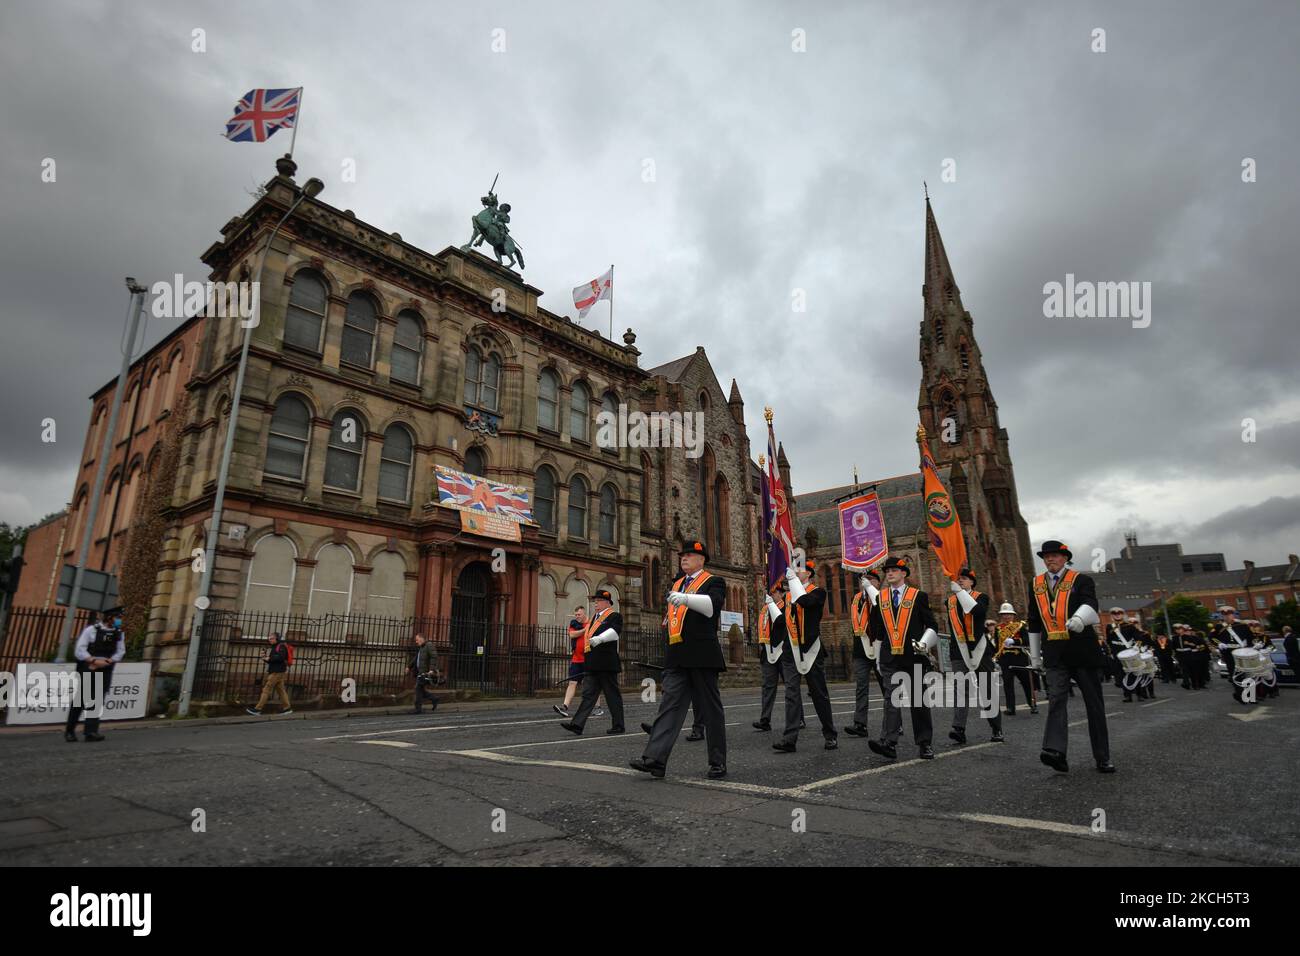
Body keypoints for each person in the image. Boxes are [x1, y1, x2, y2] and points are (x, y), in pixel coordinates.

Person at [632, 541, 728, 779]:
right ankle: (655, 760)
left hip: (702, 655)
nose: (683, 558)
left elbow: (711, 608)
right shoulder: (677, 583)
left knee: (710, 710)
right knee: (669, 708)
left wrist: (685, 598)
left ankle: (718, 762)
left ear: (702, 559)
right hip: (677, 656)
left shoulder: (712, 581)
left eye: (690, 554)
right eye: (682, 554)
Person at [1027, 541, 1113, 773]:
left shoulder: (1081, 580)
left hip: (1082, 650)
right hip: (1054, 654)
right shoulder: (1035, 584)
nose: (1050, 560)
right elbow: (1034, 619)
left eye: (1055, 556)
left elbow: (1090, 603)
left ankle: (1102, 756)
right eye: (1046, 557)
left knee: (1094, 704)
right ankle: (1055, 751)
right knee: (1056, 700)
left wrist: (1080, 617)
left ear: (1065, 558)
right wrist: (1035, 656)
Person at [867, 555, 938, 761]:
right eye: (887, 571)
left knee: (918, 701)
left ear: (904, 573)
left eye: (894, 570)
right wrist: (878, 658)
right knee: (891, 699)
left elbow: (932, 625)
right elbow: (878, 632)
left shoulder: (918, 596)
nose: (889, 573)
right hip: (890, 657)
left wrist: (924, 644)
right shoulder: (881, 598)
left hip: (914, 656)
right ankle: (889, 742)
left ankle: (924, 743)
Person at [772, 559, 838, 753]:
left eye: (798, 570)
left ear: (808, 574)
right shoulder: (789, 596)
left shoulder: (817, 592)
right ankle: (789, 739)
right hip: (791, 651)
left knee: (818, 693)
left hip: (811, 649)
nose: (795, 572)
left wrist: (792, 582)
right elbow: (783, 622)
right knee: (791, 694)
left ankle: (830, 734)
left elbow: (806, 602)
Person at [947, 568, 1004, 745]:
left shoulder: (981, 597)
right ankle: (959, 729)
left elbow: (978, 612)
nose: (960, 581)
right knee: (960, 689)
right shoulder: (949, 601)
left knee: (986, 689)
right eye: (958, 579)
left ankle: (996, 728)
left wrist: (960, 592)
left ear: (972, 582)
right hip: (959, 649)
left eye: (964, 579)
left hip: (979, 648)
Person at [560, 590, 626, 735]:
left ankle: (619, 725)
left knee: (612, 696)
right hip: (592, 664)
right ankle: (577, 724)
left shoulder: (614, 616)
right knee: (588, 695)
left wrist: (600, 638)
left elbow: (615, 632)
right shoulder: (593, 619)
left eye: (599, 600)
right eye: (595, 601)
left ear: (608, 603)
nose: (596, 603)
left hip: (606, 664)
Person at [64, 606, 126, 742]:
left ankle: (91, 731)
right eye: (118, 618)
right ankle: (70, 731)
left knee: (97, 699)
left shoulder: (119, 633)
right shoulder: (91, 630)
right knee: (80, 699)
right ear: (109, 618)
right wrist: (92, 660)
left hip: (106, 667)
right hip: (89, 666)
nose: (119, 621)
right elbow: (80, 650)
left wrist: (109, 661)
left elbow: (120, 651)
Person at [753, 580, 803, 732]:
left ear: (781, 594)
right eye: (770, 592)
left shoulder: (785, 608)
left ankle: (799, 718)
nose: (772, 595)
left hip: (783, 651)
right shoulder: (765, 609)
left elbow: (782, 624)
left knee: (791, 686)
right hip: (768, 652)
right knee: (768, 687)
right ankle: (765, 719)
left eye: (774, 592)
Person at [843, 569, 882, 739]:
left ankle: (895, 723)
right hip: (861, 648)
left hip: (880, 647)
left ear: (878, 582)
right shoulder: (856, 599)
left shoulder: (882, 597)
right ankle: (860, 724)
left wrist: (872, 592)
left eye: (872, 579)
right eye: (865, 579)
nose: (867, 582)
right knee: (861, 687)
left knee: (886, 687)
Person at [993, 603, 1038, 715]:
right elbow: (997, 645)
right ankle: (1010, 708)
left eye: (1008, 614)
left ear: (1013, 615)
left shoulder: (1020, 626)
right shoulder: (998, 628)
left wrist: (1015, 641)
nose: (1006, 616)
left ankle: (1032, 705)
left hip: (1019, 658)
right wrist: (997, 659)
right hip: (1005, 660)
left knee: (1027, 683)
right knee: (1008, 685)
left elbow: (1027, 641)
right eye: (1004, 614)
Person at [246, 631, 294, 716]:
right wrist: (264, 658)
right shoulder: (274, 647)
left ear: (277, 638)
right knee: (281, 690)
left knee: (266, 690)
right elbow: (272, 661)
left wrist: (269, 658)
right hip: (277, 671)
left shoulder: (281, 646)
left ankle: (257, 709)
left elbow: (281, 657)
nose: (270, 640)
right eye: (269, 638)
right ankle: (287, 708)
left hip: (277, 672)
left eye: (272, 638)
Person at [555, 605, 589, 717]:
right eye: (576, 615)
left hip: (589, 659)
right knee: (572, 682)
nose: (577, 616)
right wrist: (585, 630)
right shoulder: (574, 624)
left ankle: (597, 707)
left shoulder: (591, 623)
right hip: (576, 659)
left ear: (584, 614)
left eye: (579, 614)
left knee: (591, 684)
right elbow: (572, 634)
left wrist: (587, 628)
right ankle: (565, 706)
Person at [411, 633, 440, 714]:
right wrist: (409, 667)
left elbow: (434, 657)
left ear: (422, 638)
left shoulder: (429, 645)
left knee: (418, 689)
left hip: (425, 673)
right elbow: (416, 659)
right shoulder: (421, 647)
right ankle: (434, 698)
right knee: (420, 690)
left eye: (417, 640)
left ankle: (418, 709)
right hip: (420, 672)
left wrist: (431, 669)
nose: (416, 642)